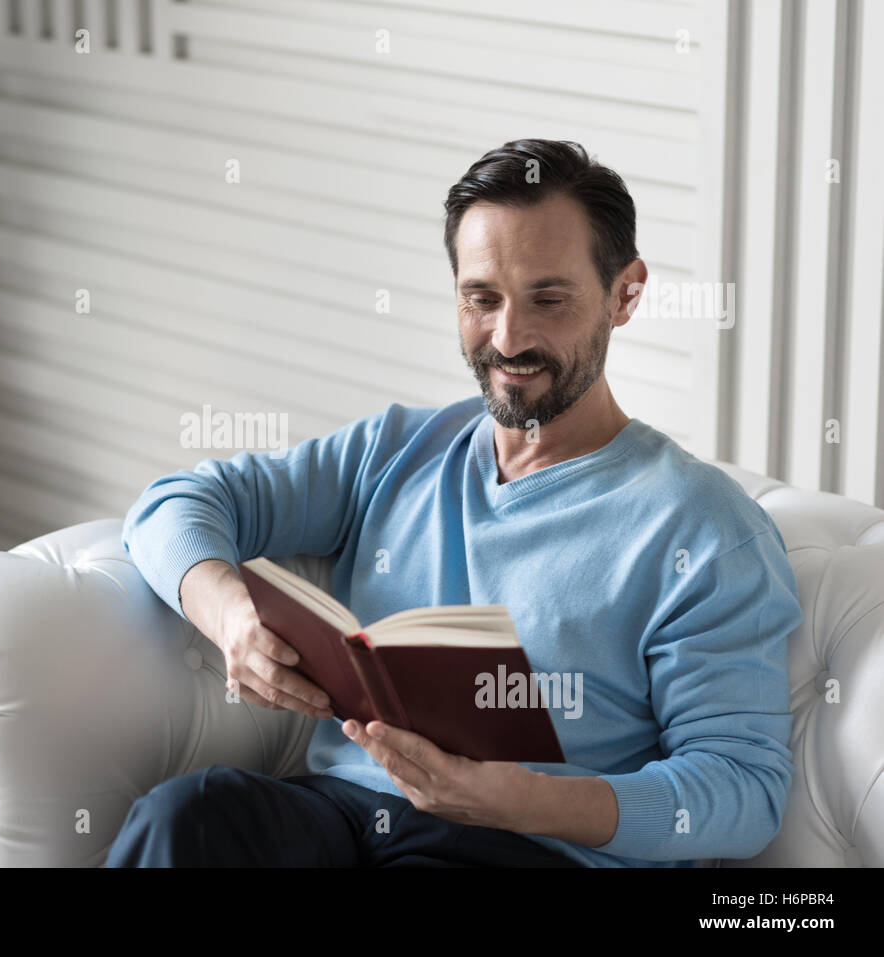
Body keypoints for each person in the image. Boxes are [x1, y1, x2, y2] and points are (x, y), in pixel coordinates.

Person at [105, 139, 802, 868]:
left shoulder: (701, 523)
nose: (508, 337)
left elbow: (743, 789)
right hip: (345, 815)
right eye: (482, 299)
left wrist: (525, 798)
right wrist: (232, 616)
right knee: (190, 815)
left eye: (548, 299)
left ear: (625, 292)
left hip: (529, 848)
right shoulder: (396, 448)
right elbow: (174, 503)